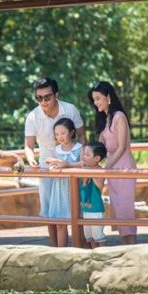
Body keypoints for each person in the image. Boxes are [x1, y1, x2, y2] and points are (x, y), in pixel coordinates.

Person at [23, 77, 86, 246]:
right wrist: (31, 161)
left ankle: (80, 244)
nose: (43, 101)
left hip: (72, 164)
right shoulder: (32, 117)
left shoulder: (70, 109)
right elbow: (28, 145)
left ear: (56, 95)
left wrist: (82, 159)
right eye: (39, 98)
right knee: (50, 211)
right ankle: (54, 247)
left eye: (47, 97)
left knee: (76, 206)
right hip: (46, 167)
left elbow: (81, 135)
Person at [88, 81, 137, 244]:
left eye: (98, 99)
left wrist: (105, 169)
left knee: (125, 210)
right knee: (118, 210)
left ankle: (133, 248)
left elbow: (122, 147)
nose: (96, 103)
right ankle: (127, 247)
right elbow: (100, 148)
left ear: (109, 97)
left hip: (124, 169)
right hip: (112, 170)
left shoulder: (119, 117)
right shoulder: (105, 120)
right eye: (94, 100)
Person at [45, 118, 83, 247]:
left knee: (78, 222)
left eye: (63, 133)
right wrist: (53, 166)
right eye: (57, 134)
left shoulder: (80, 148)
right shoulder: (56, 150)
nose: (59, 137)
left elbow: (84, 164)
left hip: (75, 188)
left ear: (72, 132)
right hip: (59, 188)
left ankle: (80, 248)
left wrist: (68, 165)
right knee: (60, 223)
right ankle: (62, 251)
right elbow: (55, 165)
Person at [80, 141, 108, 248]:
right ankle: (94, 254)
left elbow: (100, 186)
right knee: (89, 236)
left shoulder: (100, 170)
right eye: (84, 154)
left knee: (98, 235)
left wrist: (90, 172)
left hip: (96, 209)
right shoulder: (83, 168)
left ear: (97, 158)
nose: (84, 157)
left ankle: (104, 255)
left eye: (87, 155)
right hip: (85, 207)